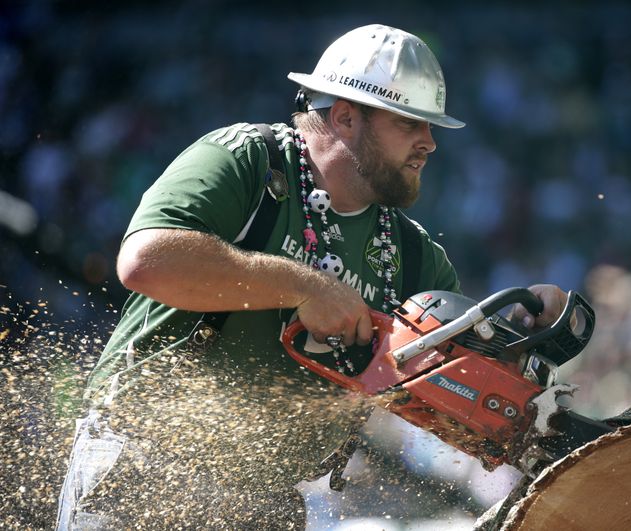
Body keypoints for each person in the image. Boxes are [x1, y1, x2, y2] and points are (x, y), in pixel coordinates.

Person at [56, 24, 569, 530]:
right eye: (409, 123)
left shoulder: (413, 256)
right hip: (144, 464)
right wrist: (304, 286)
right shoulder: (246, 160)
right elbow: (145, 262)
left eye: (430, 126)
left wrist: (522, 335)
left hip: (268, 502)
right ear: (345, 116)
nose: (429, 142)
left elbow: (467, 396)